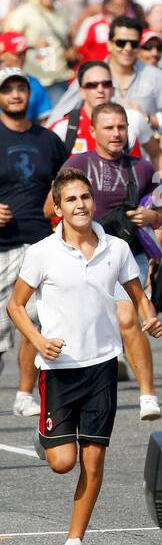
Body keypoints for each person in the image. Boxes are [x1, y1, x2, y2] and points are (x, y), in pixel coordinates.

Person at [7, 167, 162, 545]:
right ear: (57, 208)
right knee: (62, 462)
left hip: (101, 368)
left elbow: (136, 293)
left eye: (85, 197)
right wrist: (39, 342)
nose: (80, 205)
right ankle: (46, 435)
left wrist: (149, 316)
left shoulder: (116, 248)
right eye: (71, 200)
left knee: (93, 464)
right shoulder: (41, 252)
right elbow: (16, 307)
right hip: (58, 370)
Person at [52, 102, 162, 422]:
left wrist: (151, 215)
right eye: (109, 128)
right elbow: (51, 207)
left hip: (128, 255)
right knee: (78, 329)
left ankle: (148, 395)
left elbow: (161, 214)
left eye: (121, 127)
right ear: (93, 132)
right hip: (83, 258)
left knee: (128, 318)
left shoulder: (141, 167)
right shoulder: (77, 164)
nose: (116, 134)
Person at [0, 66, 67, 413]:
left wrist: (54, 204)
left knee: (35, 320)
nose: (14, 95)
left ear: (30, 94)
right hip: (2, 247)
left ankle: (25, 394)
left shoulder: (48, 140)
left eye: (20, 89)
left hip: (41, 243)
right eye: (7, 89)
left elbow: (66, 182)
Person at [49, 16, 162, 138]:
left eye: (133, 44)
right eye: (121, 43)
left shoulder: (155, 76)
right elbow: (57, 119)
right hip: (97, 160)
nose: (127, 48)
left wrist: (148, 119)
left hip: (141, 161)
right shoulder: (92, 76)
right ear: (109, 45)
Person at [2, 0, 73, 102]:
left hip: (60, 76)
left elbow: (68, 39)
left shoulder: (62, 12)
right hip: (36, 77)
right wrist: (31, 44)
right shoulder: (25, 11)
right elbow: (9, 39)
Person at [0, 32, 51, 123]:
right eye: (16, 53)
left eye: (24, 53)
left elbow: (45, 121)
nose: (22, 57)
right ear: (2, 55)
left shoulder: (34, 83)